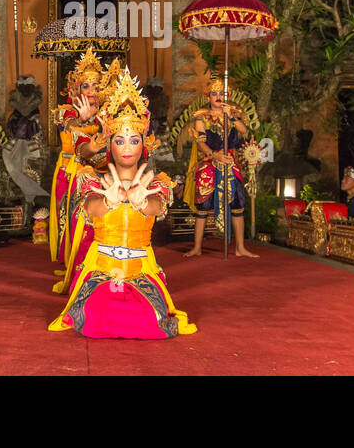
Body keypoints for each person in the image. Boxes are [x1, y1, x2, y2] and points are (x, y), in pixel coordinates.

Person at [49, 68, 197, 339]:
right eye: (119, 140)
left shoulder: (156, 182)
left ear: (144, 145)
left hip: (141, 271)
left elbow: (157, 207)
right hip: (103, 271)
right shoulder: (94, 178)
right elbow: (90, 209)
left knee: (148, 322)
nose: (127, 147)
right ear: (110, 146)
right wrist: (109, 200)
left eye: (133, 140)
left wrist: (142, 203)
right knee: (97, 319)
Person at [185, 73, 256, 258]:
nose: (218, 97)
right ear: (208, 96)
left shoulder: (233, 113)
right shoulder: (202, 117)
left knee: (238, 204)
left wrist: (230, 116)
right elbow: (201, 141)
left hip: (231, 162)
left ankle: (240, 247)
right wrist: (213, 154)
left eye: (221, 94)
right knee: (203, 205)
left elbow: (244, 131)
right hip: (210, 160)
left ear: (227, 97)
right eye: (214, 93)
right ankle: (197, 247)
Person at [49, 48, 104, 267]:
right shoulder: (67, 111)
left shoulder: (106, 113)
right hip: (70, 172)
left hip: (100, 171)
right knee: (71, 217)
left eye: (96, 85)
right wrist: (83, 120)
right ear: (76, 88)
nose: (91, 90)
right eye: (86, 85)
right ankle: (72, 263)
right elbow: (71, 126)